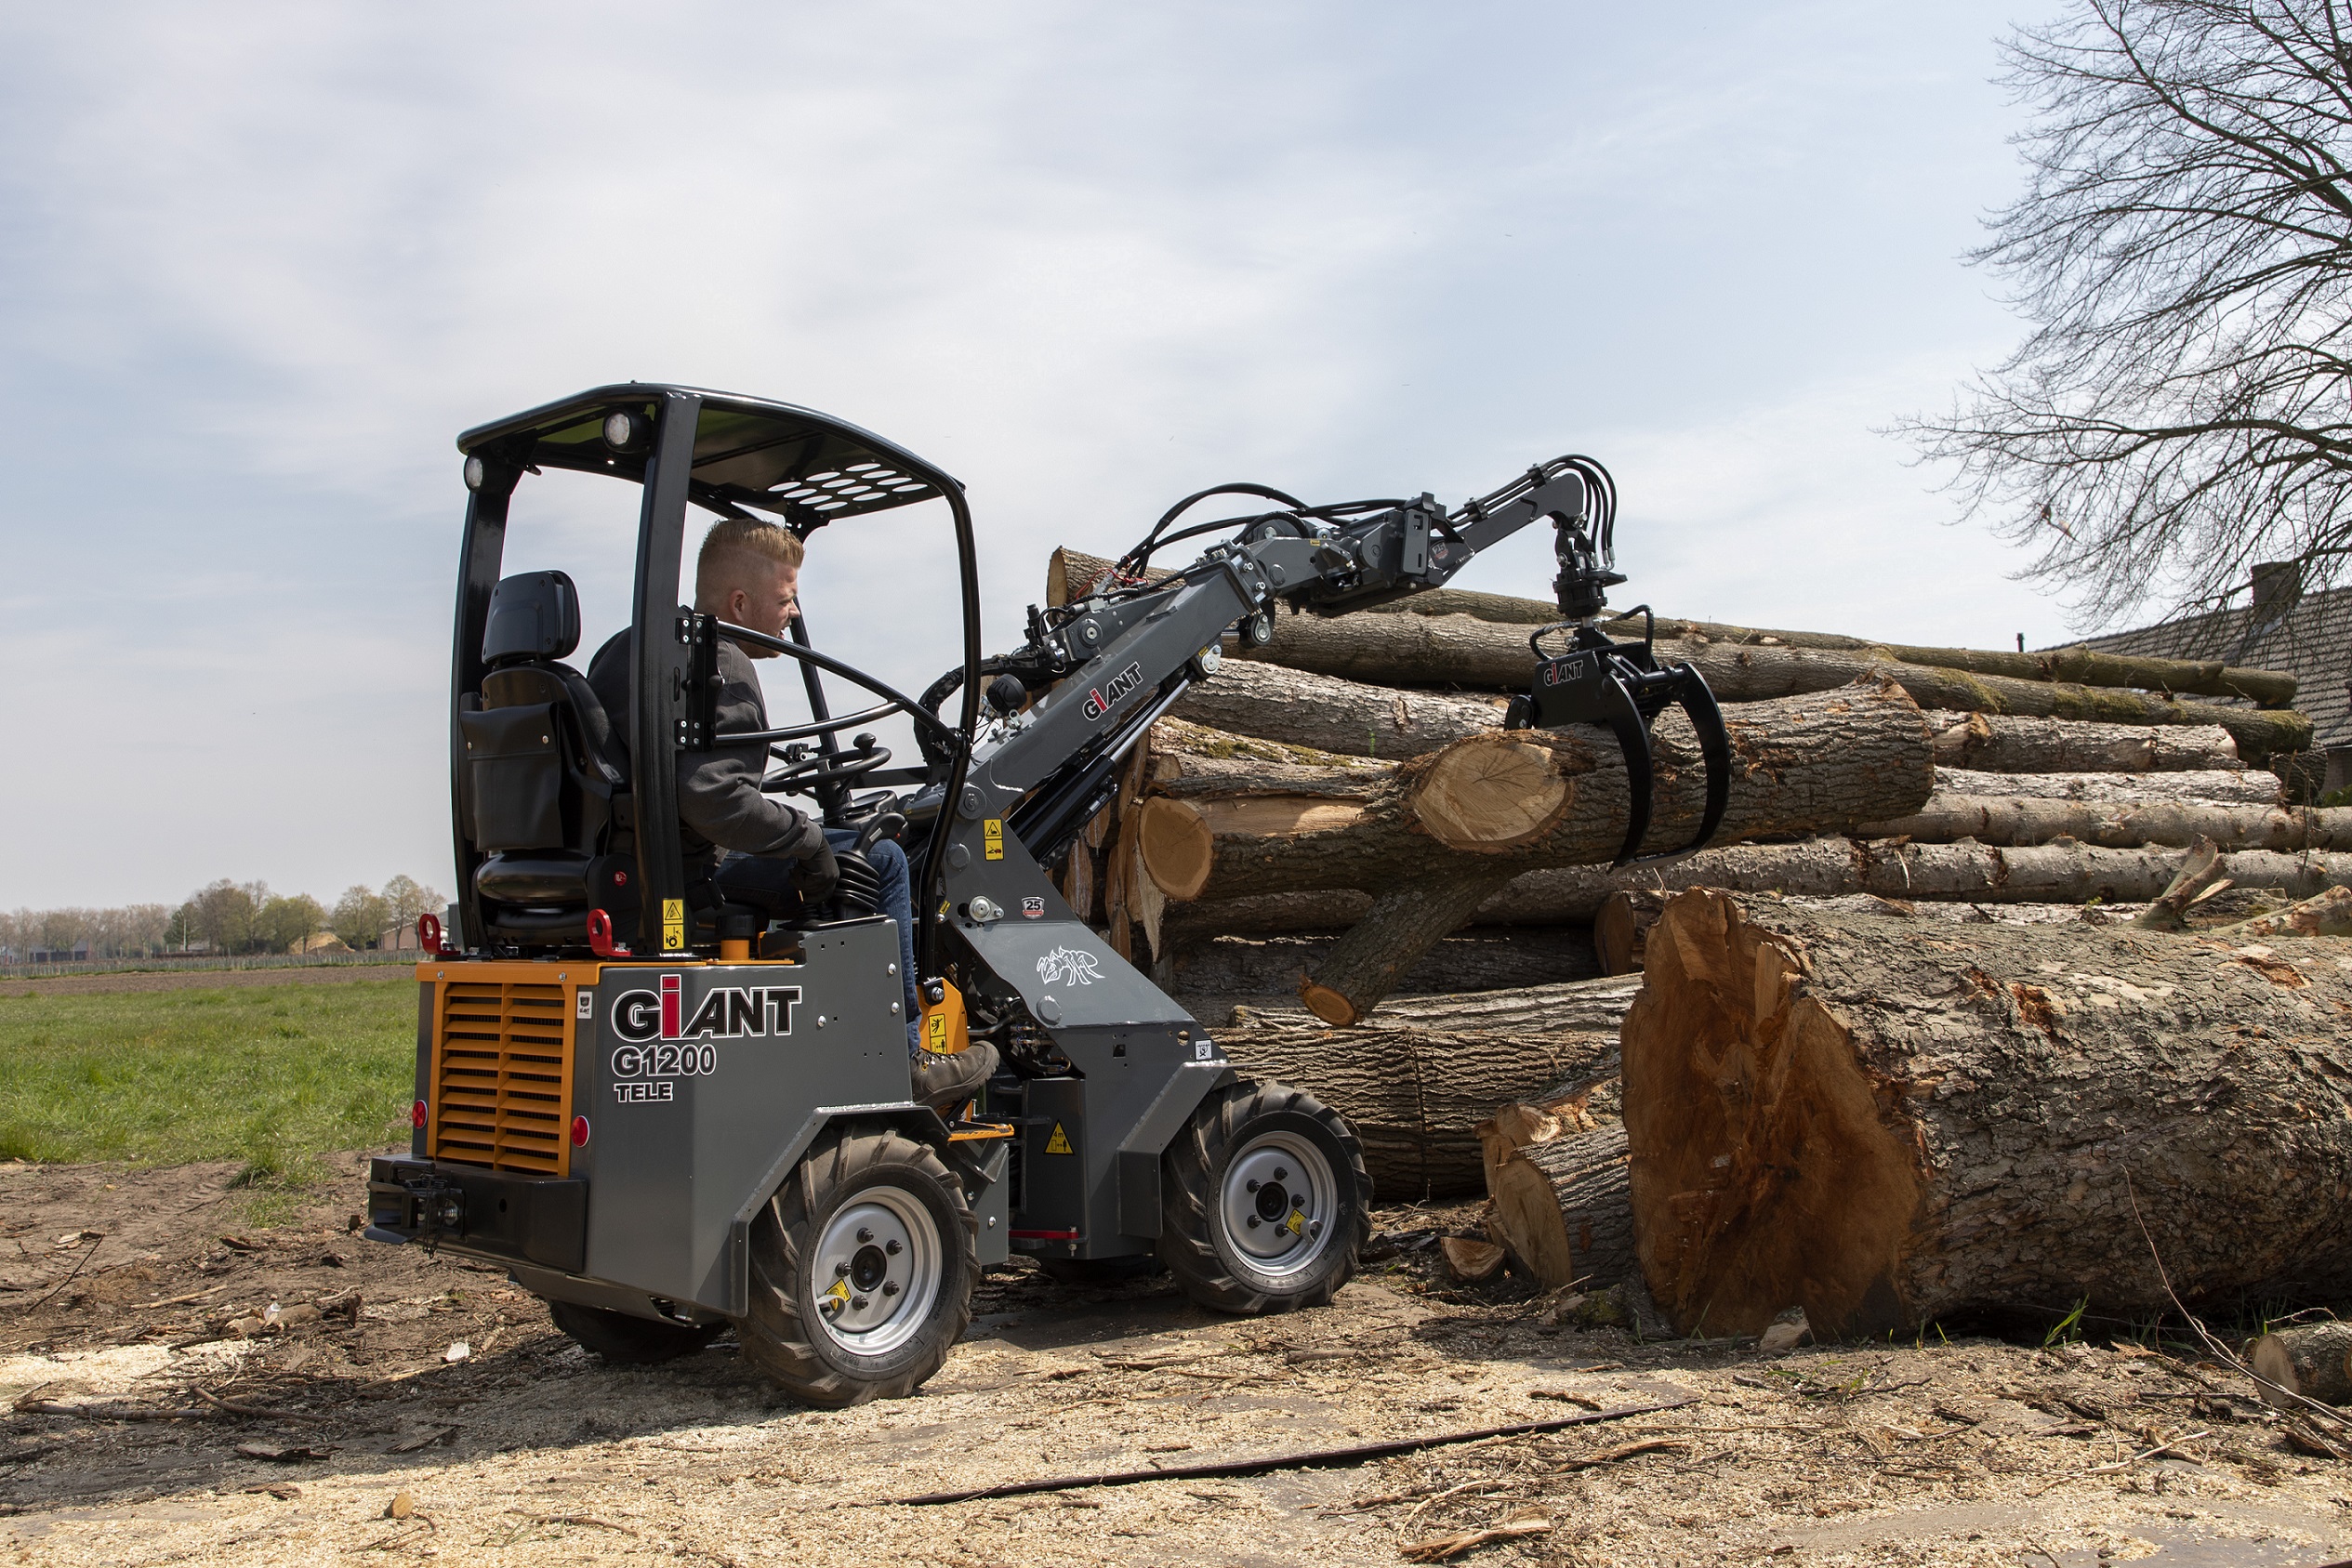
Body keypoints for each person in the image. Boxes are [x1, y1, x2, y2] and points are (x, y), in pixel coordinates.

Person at [587, 518, 995, 1110]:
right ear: (739, 602)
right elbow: (716, 799)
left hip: (635, 868)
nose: (794, 614)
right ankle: (906, 1059)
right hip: (684, 884)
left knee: (837, 847)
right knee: (879, 858)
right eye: (786, 598)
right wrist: (806, 838)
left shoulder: (627, 648)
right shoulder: (715, 662)